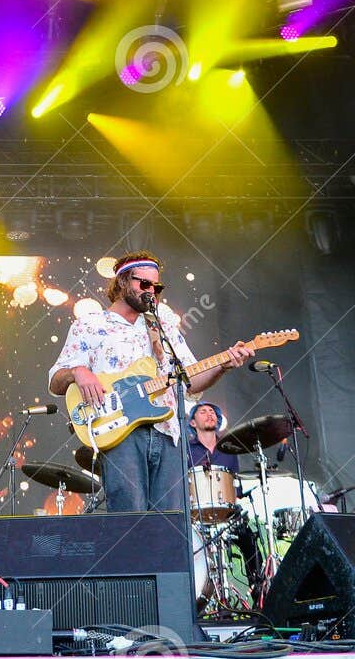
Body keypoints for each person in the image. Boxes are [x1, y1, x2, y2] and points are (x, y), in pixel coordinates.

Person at [48, 252, 254, 512]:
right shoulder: (90, 324)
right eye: (144, 284)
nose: (151, 292)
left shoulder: (162, 325)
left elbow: (190, 380)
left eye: (156, 287)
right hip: (121, 432)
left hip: (168, 432)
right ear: (122, 282)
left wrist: (222, 366)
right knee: (129, 518)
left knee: (169, 522)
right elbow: (56, 381)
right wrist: (78, 371)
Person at [188, 401, 266, 594]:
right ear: (192, 423)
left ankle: (259, 592)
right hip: (195, 515)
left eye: (213, 412)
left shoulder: (229, 449)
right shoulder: (184, 449)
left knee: (250, 538)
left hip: (227, 513)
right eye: (203, 411)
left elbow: (235, 487)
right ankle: (196, 597)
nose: (209, 414)